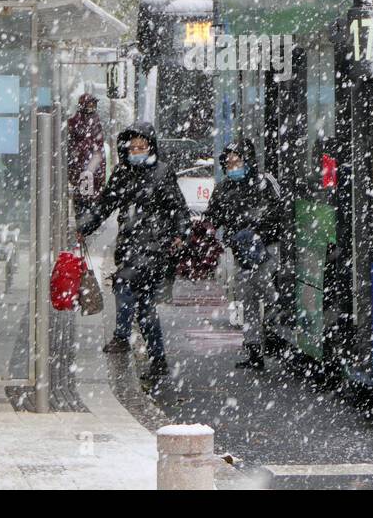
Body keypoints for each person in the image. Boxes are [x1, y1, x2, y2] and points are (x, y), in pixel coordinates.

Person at [77, 121, 190, 387]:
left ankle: (127, 339)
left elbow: (178, 208)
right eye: (133, 147)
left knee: (131, 290)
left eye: (142, 146)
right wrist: (85, 226)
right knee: (141, 303)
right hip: (129, 247)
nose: (137, 151)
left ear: (151, 147)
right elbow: (105, 204)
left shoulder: (162, 173)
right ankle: (155, 357)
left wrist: (179, 234)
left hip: (155, 249)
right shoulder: (122, 174)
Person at [203, 138, 285, 371]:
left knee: (260, 279)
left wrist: (258, 229)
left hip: (267, 247)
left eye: (237, 161)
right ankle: (253, 349)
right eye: (229, 163)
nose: (233, 166)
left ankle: (275, 311)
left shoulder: (265, 181)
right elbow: (213, 216)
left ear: (248, 160)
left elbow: (281, 208)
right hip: (240, 251)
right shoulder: (223, 189)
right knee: (246, 295)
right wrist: (206, 232)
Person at [65, 92, 106, 216]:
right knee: (83, 199)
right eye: (90, 104)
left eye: (94, 105)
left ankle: (87, 222)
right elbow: (74, 145)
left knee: (91, 198)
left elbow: (99, 144)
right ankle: (82, 225)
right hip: (83, 167)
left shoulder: (95, 120)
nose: (92, 107)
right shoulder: (76, 122)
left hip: (92, 165)